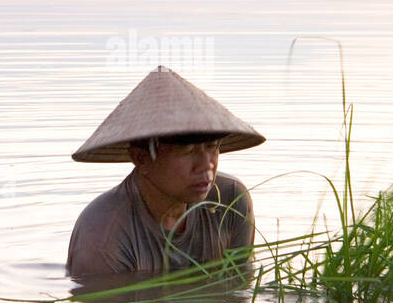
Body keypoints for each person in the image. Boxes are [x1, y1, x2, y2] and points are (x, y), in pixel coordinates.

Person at [66, 66, 264, 278]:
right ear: (141, 159)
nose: (206, 165)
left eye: (212, 148)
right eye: (188, 151)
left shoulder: (230, 202)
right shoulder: (103, 234)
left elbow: (237, 290)